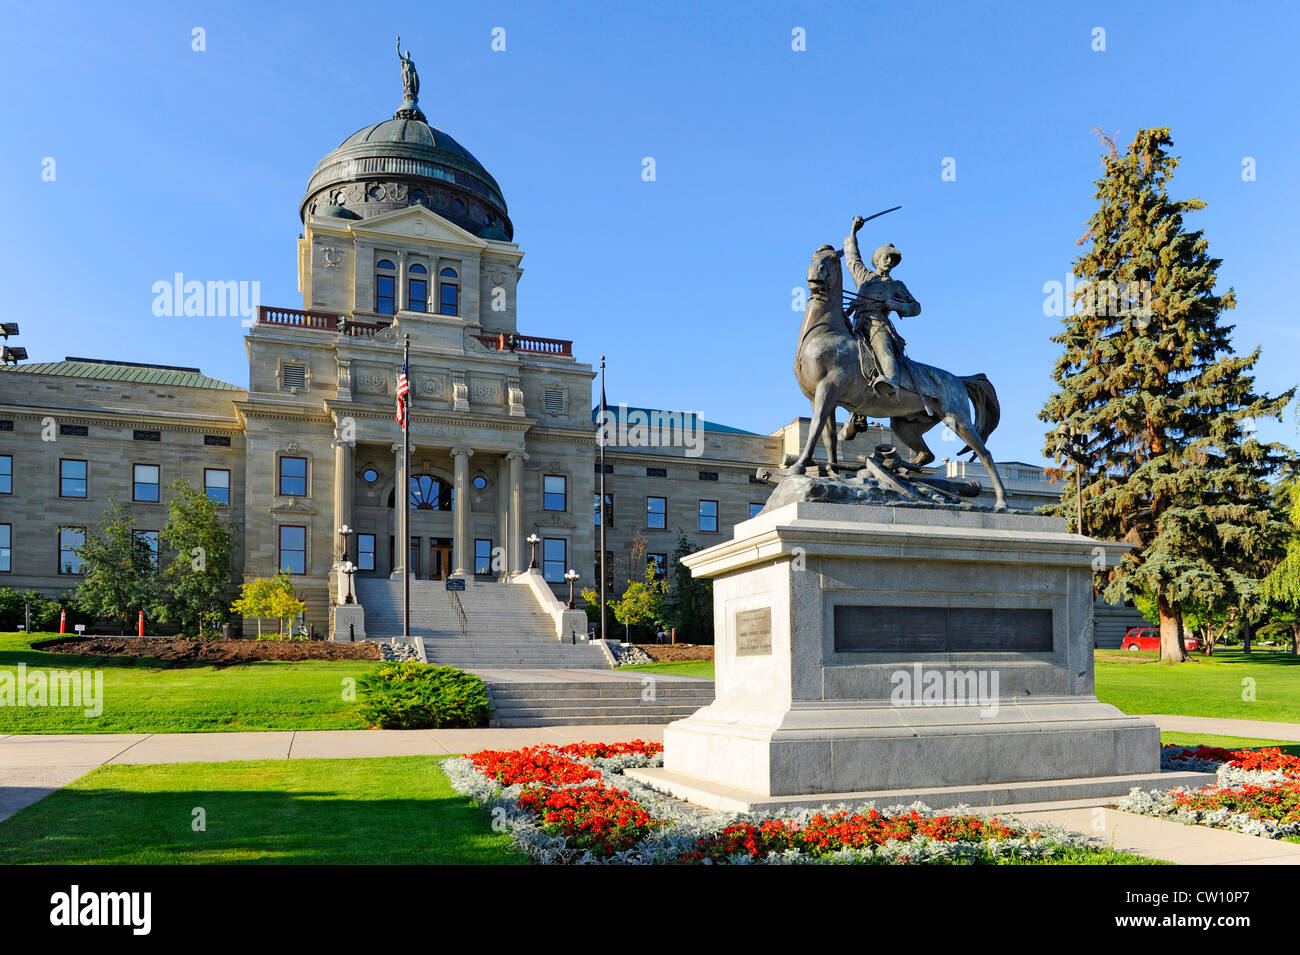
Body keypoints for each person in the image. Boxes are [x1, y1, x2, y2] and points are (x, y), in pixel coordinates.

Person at [844, 216, 921, 398]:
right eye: (885, 258)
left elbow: (916, 307)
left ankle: (890, 382)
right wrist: (853, 232)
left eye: (891, 260)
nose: (888, 261)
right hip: (857, 324)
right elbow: (852, 258)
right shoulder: (865, 277)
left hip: (878, 326)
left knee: (884, 351)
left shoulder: (896, 285)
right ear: (877, 260)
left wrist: (896, 305)